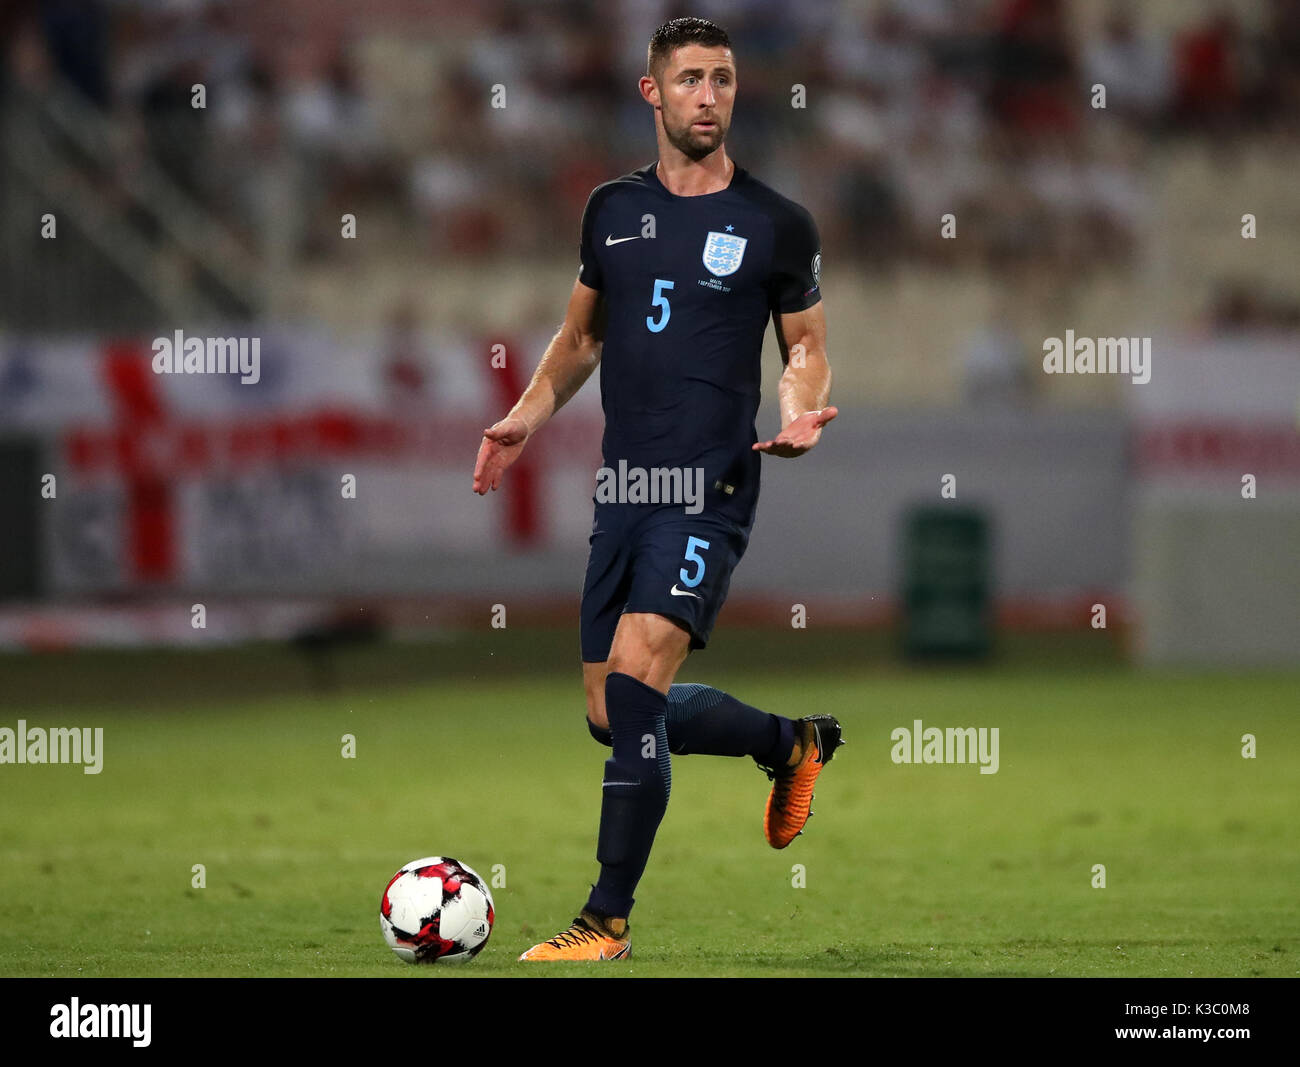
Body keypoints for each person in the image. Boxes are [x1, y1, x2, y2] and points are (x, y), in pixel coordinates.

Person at [473, 17, 842, 961]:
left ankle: (605, 920)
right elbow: (582, 340)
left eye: (722, 78)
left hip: (709, 485)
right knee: (610, 713)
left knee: (638, 689)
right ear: (654, 94)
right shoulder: (609, 210)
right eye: (690, 80)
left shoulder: (776, 223)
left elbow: (804, 347)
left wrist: (804, 410)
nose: (709, 95)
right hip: (625, 486)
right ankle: (791, 742)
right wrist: (524, 414)